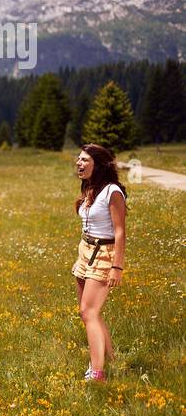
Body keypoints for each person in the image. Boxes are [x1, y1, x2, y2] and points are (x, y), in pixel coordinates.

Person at [72, 144, 127, 383]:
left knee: (89, 311)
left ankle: (97, 373)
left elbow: (120, 231)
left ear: (98, 164)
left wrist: (117, 266)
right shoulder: (91, 188)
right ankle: (110, 357)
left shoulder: (112, 191)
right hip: (85, 250)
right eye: (78, 159)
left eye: (84, 160)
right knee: (89, 313)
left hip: (104, 253)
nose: (79, 163)